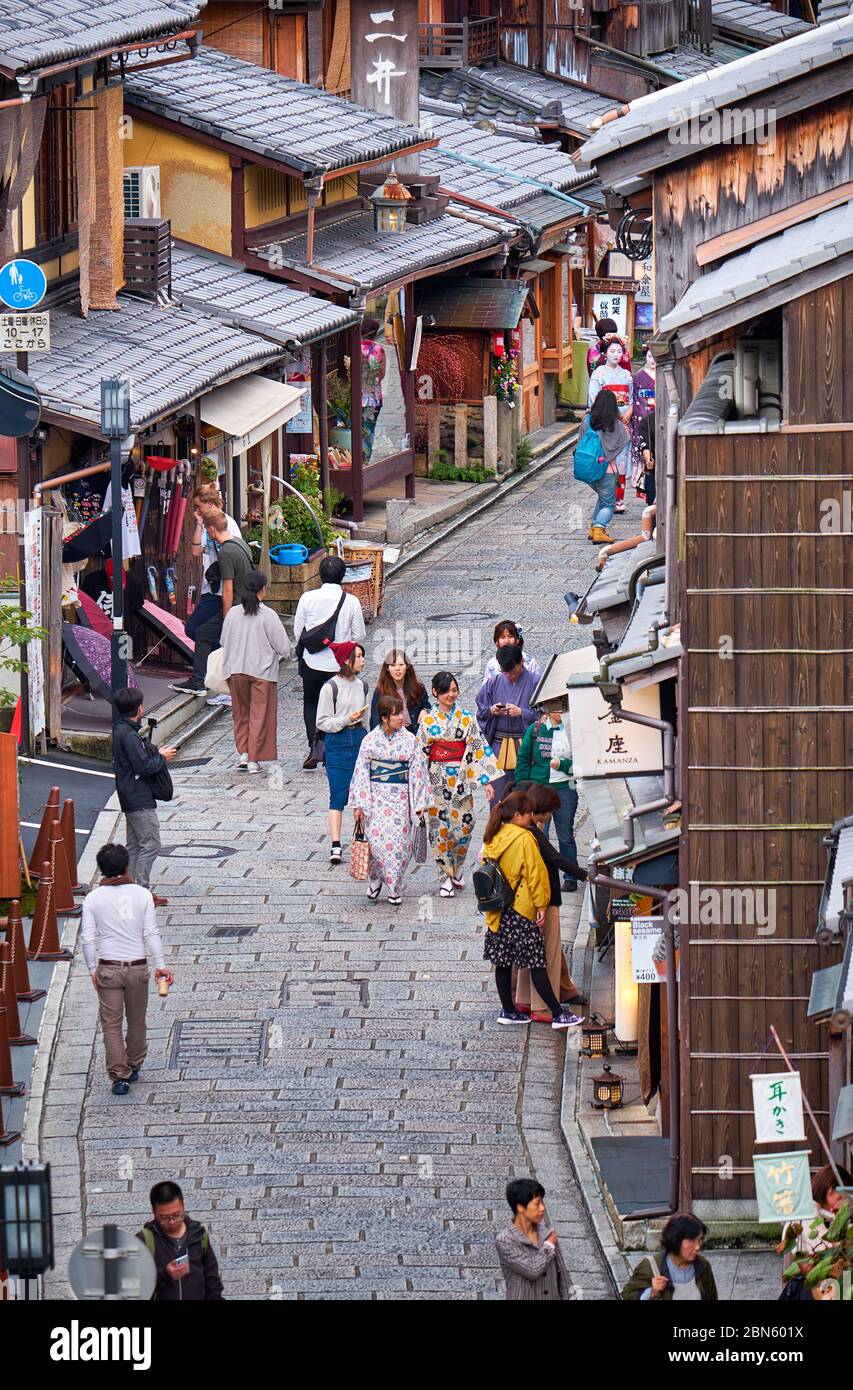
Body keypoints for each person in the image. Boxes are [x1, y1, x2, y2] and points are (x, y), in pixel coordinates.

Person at [480, 789, 583, 1030]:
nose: (532, 819)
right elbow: (536, 875)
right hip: (520, 907)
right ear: (518, 815)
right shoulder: (524, 838)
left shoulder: (492, 834)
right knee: (536, 962)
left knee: (503, 961)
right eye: (528, 815)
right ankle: (558, 1014)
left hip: (497, 910)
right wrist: (541, 906)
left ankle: (508, 1010)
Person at [80, 842, 173, 1095]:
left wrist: (91, 969)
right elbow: (151, 932)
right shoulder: (142, 895)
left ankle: (119, 1076)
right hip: (137, 966)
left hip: (108, 966)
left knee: (110, 1024)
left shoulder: (93, 898)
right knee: (136, 1020)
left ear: (101, 869)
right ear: (126, 866)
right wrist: (161, 965)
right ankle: (134, 1062)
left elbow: (87, 939)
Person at [418, 670, 501, 899]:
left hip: (462, 779)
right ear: (435, 692)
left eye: (454, 690)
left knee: (465, 826)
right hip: (436, 778)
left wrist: (487, 780)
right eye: (445, 691)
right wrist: (419, 786)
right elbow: (420, 754)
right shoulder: (428, 720)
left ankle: (456, 866)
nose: (450, 695)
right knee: (439, 828)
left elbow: (477, 746)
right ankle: (445, 876)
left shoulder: (466, 718)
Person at [514, 783, 586, 1017]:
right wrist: (586, 875)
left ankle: (533, 998)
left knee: (536, 951)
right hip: (542, 900)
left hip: (527, 900)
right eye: (551, 811)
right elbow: (555, 858)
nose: (552, 816)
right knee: (549, 953)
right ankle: (542, 1006)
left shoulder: (520, 830)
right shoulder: (532, 833)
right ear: (541, 811)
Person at [350, 694, 430, 906]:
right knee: (375, 844)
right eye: (396, 714)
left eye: (401, 712)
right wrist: (360, 803)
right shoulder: (370, 741)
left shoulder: (410, 741)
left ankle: (394, 887)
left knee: (398, 846)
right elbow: (361, 772)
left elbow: (417, 773)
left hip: (401, 800)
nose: (402, 717)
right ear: (384, 718)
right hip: (376, 798)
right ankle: (375, 880)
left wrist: (419, 804)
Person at [293, 554, 366, 769]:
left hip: (312, 662)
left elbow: (299, 632)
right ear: (343, 576)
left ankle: (315, 746)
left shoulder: (307, 598)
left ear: (320, 575)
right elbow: (359, 635)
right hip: (341, 664)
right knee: (340, 704)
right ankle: (335, 748)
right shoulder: (351, 601)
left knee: (312, 703)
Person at [220, 570, 292, 772]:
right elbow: (283, 647)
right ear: (263, 590)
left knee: (240, 712)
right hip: (262, 671)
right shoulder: (268, 615)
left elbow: (223, 641)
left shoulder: (233, 613)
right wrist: (295, 654)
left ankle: (244, 753)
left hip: (235, 669)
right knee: (260, 714)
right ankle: (253, 759)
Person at [112, 687, 176, 907]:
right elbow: (144, 766)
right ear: (140, 709)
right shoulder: (129, 736)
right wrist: (162, 757)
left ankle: (129, 888)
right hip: (138, 796)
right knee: (151, 843)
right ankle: (140, 891)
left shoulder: (121, 730)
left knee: (135, 844)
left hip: (129, 794)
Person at [515, 701, 579, 889]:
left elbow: (583, 762)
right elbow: (524, 759)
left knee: (565, 833)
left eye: (564, 707)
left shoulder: (574, 730)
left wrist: (564, 765)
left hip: (565, 788)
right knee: (538, 834)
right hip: (538, 789)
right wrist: (520, 789)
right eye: (555, 707)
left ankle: (571, 876)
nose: (559, 711)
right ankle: (540, 874)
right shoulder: (536, 729)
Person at [316, 640, 369, 864]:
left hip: (358, 738)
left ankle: (360, 836)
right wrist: (347, 719)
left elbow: (366, 721)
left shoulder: (363, 686)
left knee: (363, 792)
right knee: (338, 794)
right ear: (347, 660)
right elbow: (322, 721)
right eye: (358, 656)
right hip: (337, 741)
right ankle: (336, 844)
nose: (362, 660)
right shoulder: (330, 687)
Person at [137, 1181, 224, 1301]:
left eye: (176, 1215)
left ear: (183, 1205)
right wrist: (164, 1274)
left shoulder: (198, 1235)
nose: (172, 1222)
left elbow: (212, 1280)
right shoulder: (144, 1241)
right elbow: (135, 1282)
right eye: (164, 1218)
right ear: (154, 1212)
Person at [475, 644, 539, 802]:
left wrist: (522, 712)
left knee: (526, 799)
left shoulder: (536, 682)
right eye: (505, 671)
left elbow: (546, 715)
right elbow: (480, 710)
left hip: (526, 746)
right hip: (498, 745)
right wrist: (491, 710)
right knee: (499, 800)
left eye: (512, 671)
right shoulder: (493, 682)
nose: (508, 675)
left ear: (522, 661)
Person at [495, 1177, 570, 1301]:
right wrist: (549, 1246)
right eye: (537, 1203)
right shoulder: (505, 1240)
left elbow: (563, 1275)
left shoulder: (546, 1232)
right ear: (520, 1208)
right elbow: (532, 1270)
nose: (542, 1208)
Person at [621, 1213, 718, 1300]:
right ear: (676, 1240)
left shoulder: (703, 1265)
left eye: (700, 1240)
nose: (697, 1247)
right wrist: (651, 1293)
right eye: (692, 1241)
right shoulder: (651, 1266)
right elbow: (627, 1295)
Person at [588, 336, 633, 514]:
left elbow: (632, 398)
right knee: (608, 460)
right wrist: (610, 415)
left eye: (619, 351)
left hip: (623, 420)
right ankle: (608, 496)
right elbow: (594, 399)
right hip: (606, 421)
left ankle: (620, 498)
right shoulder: (599, 373)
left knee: (621, 460)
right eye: (612, 351)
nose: (616, 354)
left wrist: (628, 413)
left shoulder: (626, 375)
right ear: (605, 353)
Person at [582, 389, 630, 546]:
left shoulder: (587, 420)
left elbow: (580, 440)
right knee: (609, 503)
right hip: (607, 469)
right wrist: (610, 456)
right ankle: (599, 528)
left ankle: (594, 528)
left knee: (603, 498)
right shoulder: (615, 425)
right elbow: (624, 440)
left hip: (588, 468)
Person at [782, 1163, 852, 1258]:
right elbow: (825, 1249)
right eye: (844, 1195)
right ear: (832, 1189)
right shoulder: (808, 1212)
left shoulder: (812, 1209)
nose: (845, 1200)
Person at [179, 560, 223, 697]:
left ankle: (199, 680)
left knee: (194, 630)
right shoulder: (208, 538)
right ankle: (200, 680)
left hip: (217, 594)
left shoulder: (230, 541)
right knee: (202, 633)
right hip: (210, 592)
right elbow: (196, 551)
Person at [206, 510, 254, 616]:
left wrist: (227, 618)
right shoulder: (240, 542)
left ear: (212, 530)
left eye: (207, 531)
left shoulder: (225, 552)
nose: (207, 533)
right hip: (249, 602)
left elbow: (228, 589)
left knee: (202, 631)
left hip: (237, 607)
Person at [369, 649, 430, 730]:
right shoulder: (380, 691)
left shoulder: (418, 687)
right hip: (392, 733)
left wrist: (424, 711)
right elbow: (375, 719)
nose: (397, 668)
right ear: (387, 668)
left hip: (416, 731)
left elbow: (428, 706)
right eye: (393, 665)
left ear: (407, 666)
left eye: (401, 664)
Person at [631, 348, 656, 497]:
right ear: (645, 357)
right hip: (645, 420)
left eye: (655, 357)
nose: (653, 360)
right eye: (650, 356)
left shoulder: (664, 373)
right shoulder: (639, 377)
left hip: (660, 418)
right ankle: (646, 492)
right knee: (646, 455)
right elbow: (638, 401)